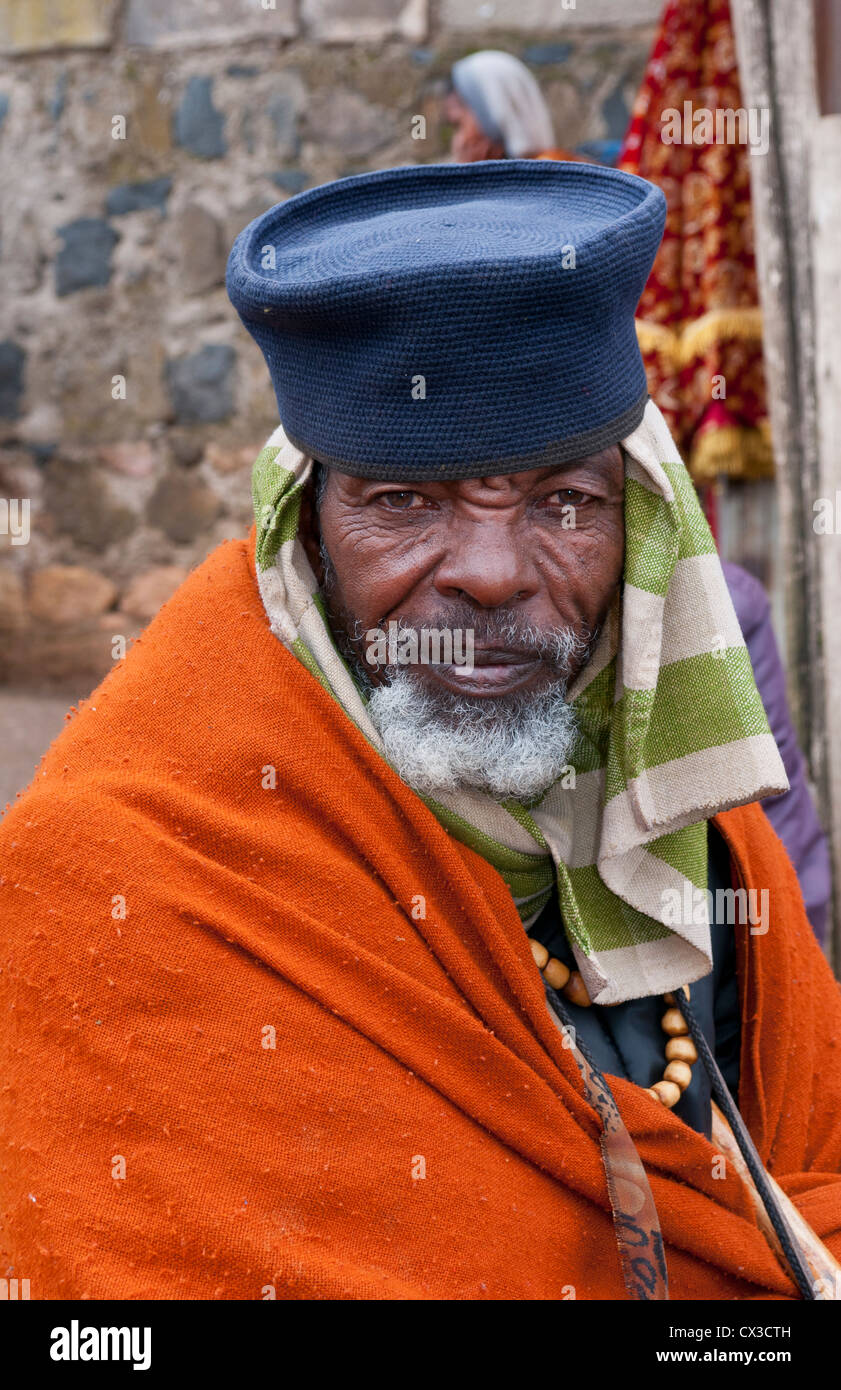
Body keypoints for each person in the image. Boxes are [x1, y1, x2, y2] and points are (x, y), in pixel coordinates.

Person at [2, 162, 841, 1301]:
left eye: (563, 505)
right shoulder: (129, 872)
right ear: (303, 534)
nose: (493, 577)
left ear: (641, 529)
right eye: (404, 501)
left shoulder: (694, 830)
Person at [445, 49, 583, 163]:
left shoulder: (554, 176)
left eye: (459, 125)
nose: (458, 142)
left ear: (499, 110)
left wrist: (466, 179)